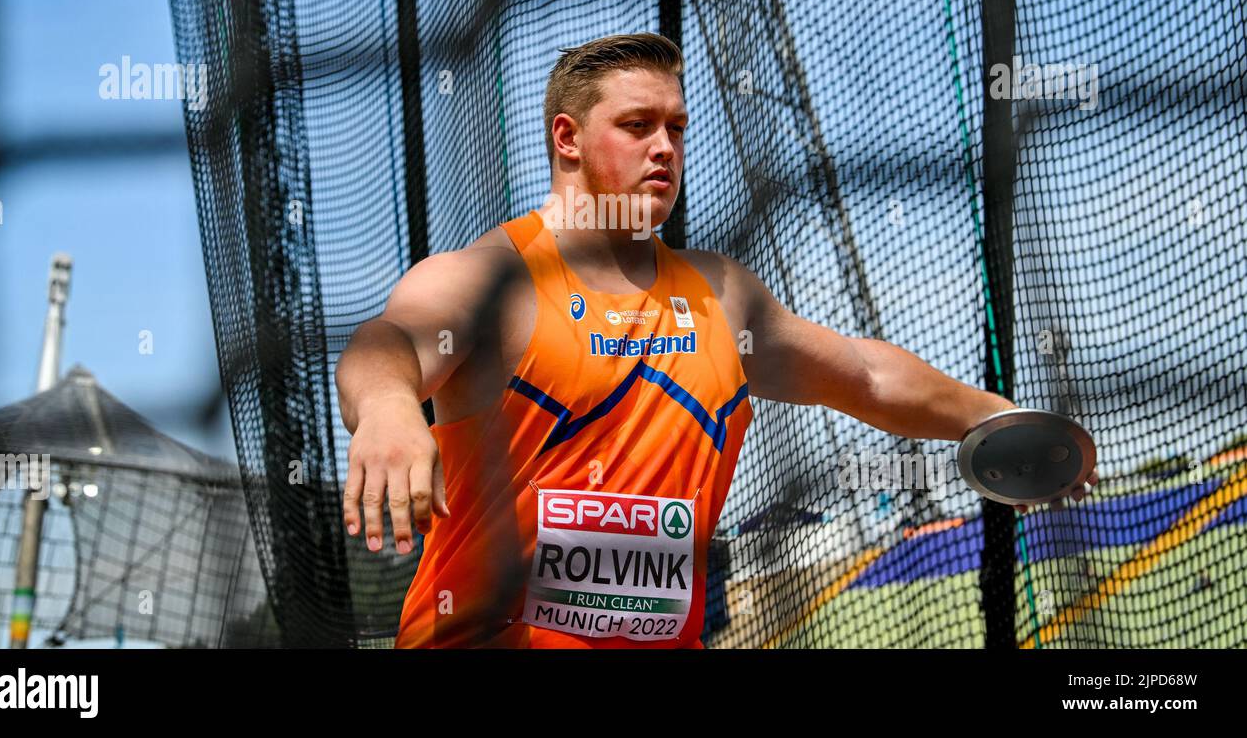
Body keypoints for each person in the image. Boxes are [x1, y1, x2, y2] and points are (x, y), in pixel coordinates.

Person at [334, 32, 1097, 648]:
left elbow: (862, 373)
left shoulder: (718, 295)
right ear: (566, 138)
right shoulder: (492, 279)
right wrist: (390, 411)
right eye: (637, 126)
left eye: (676, 127)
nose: (664, 147)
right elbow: (388, 344)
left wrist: (992, 418)